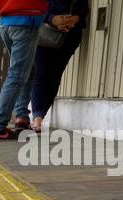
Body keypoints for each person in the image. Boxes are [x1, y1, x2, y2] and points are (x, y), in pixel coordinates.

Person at [0, 0, 50, 141]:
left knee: (27, 70)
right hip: (25, 18)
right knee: (17, 75)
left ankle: (22, 116)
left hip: (5, 21)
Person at [31, 0, 90, 132]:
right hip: (45, 32)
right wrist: (52, 19)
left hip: (70, 35)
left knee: (54, 76)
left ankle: (41, 114)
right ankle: (37, 117)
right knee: (40, 74)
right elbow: (35, 7)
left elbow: (83, 8)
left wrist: (74, 19)